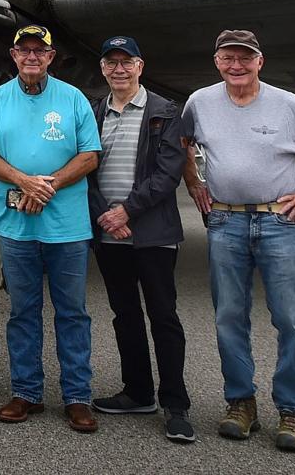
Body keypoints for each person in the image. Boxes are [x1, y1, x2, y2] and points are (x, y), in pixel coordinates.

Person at [181, 29, 295, 453]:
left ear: (260, 61)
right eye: (228, 58)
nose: (236, 65)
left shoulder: (289, 105)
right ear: (217, 61)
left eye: (245, 57)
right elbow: (181, 146)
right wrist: (194, 183)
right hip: (225, 221)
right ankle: (241, 404)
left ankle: (294, 411)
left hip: (279, 223)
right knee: (228, 316)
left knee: (291, 319)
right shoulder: (199, 103)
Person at [0, 24, 101, 433]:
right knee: (22, 312)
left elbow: (89, 156)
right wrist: (23, 181)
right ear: (13, 56)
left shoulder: (73, 98)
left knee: (72, 313)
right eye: (24, 50)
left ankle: (77, 396)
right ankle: (26, 391)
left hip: (66, 227)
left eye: (39, 51)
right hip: (15, 226)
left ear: (50, 57)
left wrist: (47, 186)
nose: (32, 57)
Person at [87, 35, 193, 442]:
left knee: (164, 317)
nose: (118, 69)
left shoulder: (166, 112)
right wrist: (104, 214)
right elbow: (84, 167)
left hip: (151, 234)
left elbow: (168, 173)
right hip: (110, 234)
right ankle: (138, 392)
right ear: (102, 68)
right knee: (125, 315)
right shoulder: (93, 112)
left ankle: (176, 405)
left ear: (140, 66)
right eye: (111, 62)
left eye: (126, 61)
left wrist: (126, 211)